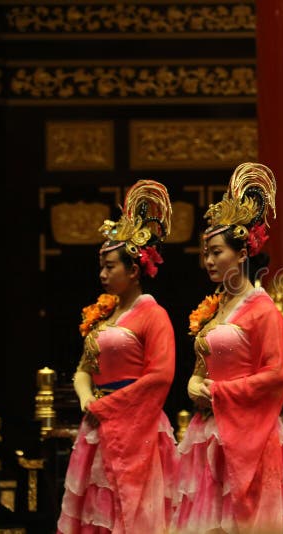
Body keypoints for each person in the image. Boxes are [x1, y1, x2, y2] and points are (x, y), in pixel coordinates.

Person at [173, 163, 283, 533]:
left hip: (249, 434)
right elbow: (202, 367)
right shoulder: (215, 307)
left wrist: (218, 392)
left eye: (216, 252)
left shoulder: (262, 309)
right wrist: (194, 384)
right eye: (206, 252)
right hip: (207, 429)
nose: (209, 260)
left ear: (242, 253)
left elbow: (277, 375)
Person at [58, 180, 178, 533]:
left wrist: (106, 406)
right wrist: (86, 399)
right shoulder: (102, 314)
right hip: (98, 420)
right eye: (101, 266)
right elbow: (84, 368)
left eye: (110, 266)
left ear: (134, 270)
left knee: (132, 510)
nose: (102, 275)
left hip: (136, 426)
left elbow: (160, 376)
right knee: (97, 510)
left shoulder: (153, 314)